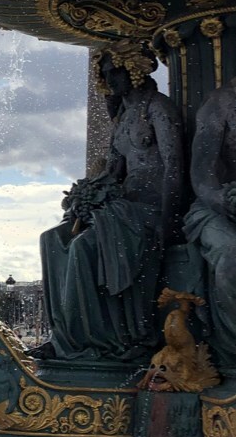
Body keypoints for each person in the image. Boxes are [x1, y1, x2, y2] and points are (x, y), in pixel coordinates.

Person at [39, 42, 184, 361]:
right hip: (123, 208)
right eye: (105, 74)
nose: (110, 81)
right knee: (52, 239)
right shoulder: (121, 121)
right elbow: (114, 172)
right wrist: (85, 196)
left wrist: (171, 221)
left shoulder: (158, 109)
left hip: (150, 211)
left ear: (132, 69)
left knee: (82, 247)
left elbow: (175, 167)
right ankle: (62, 335)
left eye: (114, 72)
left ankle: (92, 340)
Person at [184, 78, 236, 367]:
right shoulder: (220, 103)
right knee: (232, 254)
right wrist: (224, 200)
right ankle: (232, 357)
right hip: (216, 206)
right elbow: (202, 175)